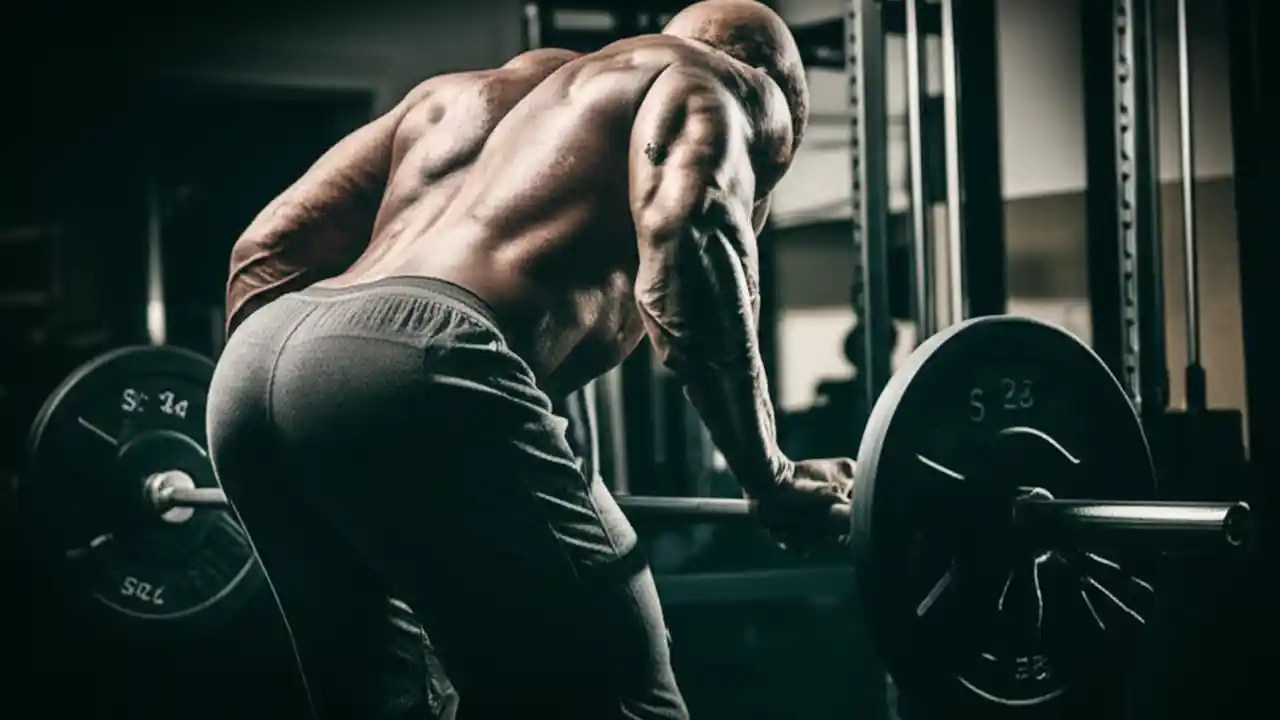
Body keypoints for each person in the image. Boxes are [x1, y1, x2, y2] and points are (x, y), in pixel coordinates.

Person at [207, 2, 856, 718]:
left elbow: (263, 253)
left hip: (254, 370)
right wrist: (770, 475)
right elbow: (688, 247)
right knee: (620, 696)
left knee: (392, 701)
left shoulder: (456, 97)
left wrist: (314, 402)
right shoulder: (723, 83)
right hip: (423, 368)